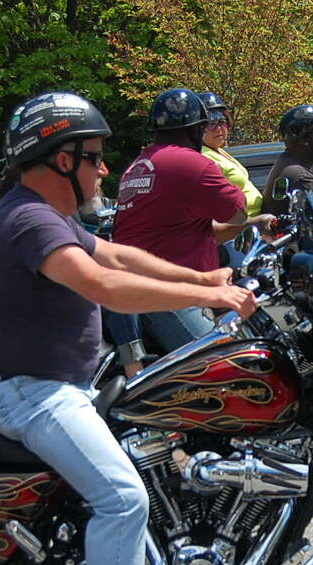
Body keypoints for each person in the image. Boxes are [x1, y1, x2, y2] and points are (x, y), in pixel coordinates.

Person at [0, 91, 255, 565]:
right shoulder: (31, 221)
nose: (103, 170)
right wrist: (211, 296)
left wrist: (204, 283)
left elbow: (117, 255)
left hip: (44, 384)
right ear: (58, 160)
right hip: (26, 390)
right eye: (92, 158)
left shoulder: (45, 215)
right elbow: (101, 284)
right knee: (124, 497)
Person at [110, 87, 271, 376]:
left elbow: (189, 230)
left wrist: (248, 227)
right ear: (196, 129)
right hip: (173, 295)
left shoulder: (139, 165)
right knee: (238, 372)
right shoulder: (190, 163)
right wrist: (243, 215)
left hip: (144, 291)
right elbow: (237, 210)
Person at [197, 92, 263, 216]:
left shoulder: (218, 150)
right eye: (211, 122)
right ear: (199, 127)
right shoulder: (203, 156)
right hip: (238, 227)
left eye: (222, 121)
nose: (219, 128)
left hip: (253, 223)